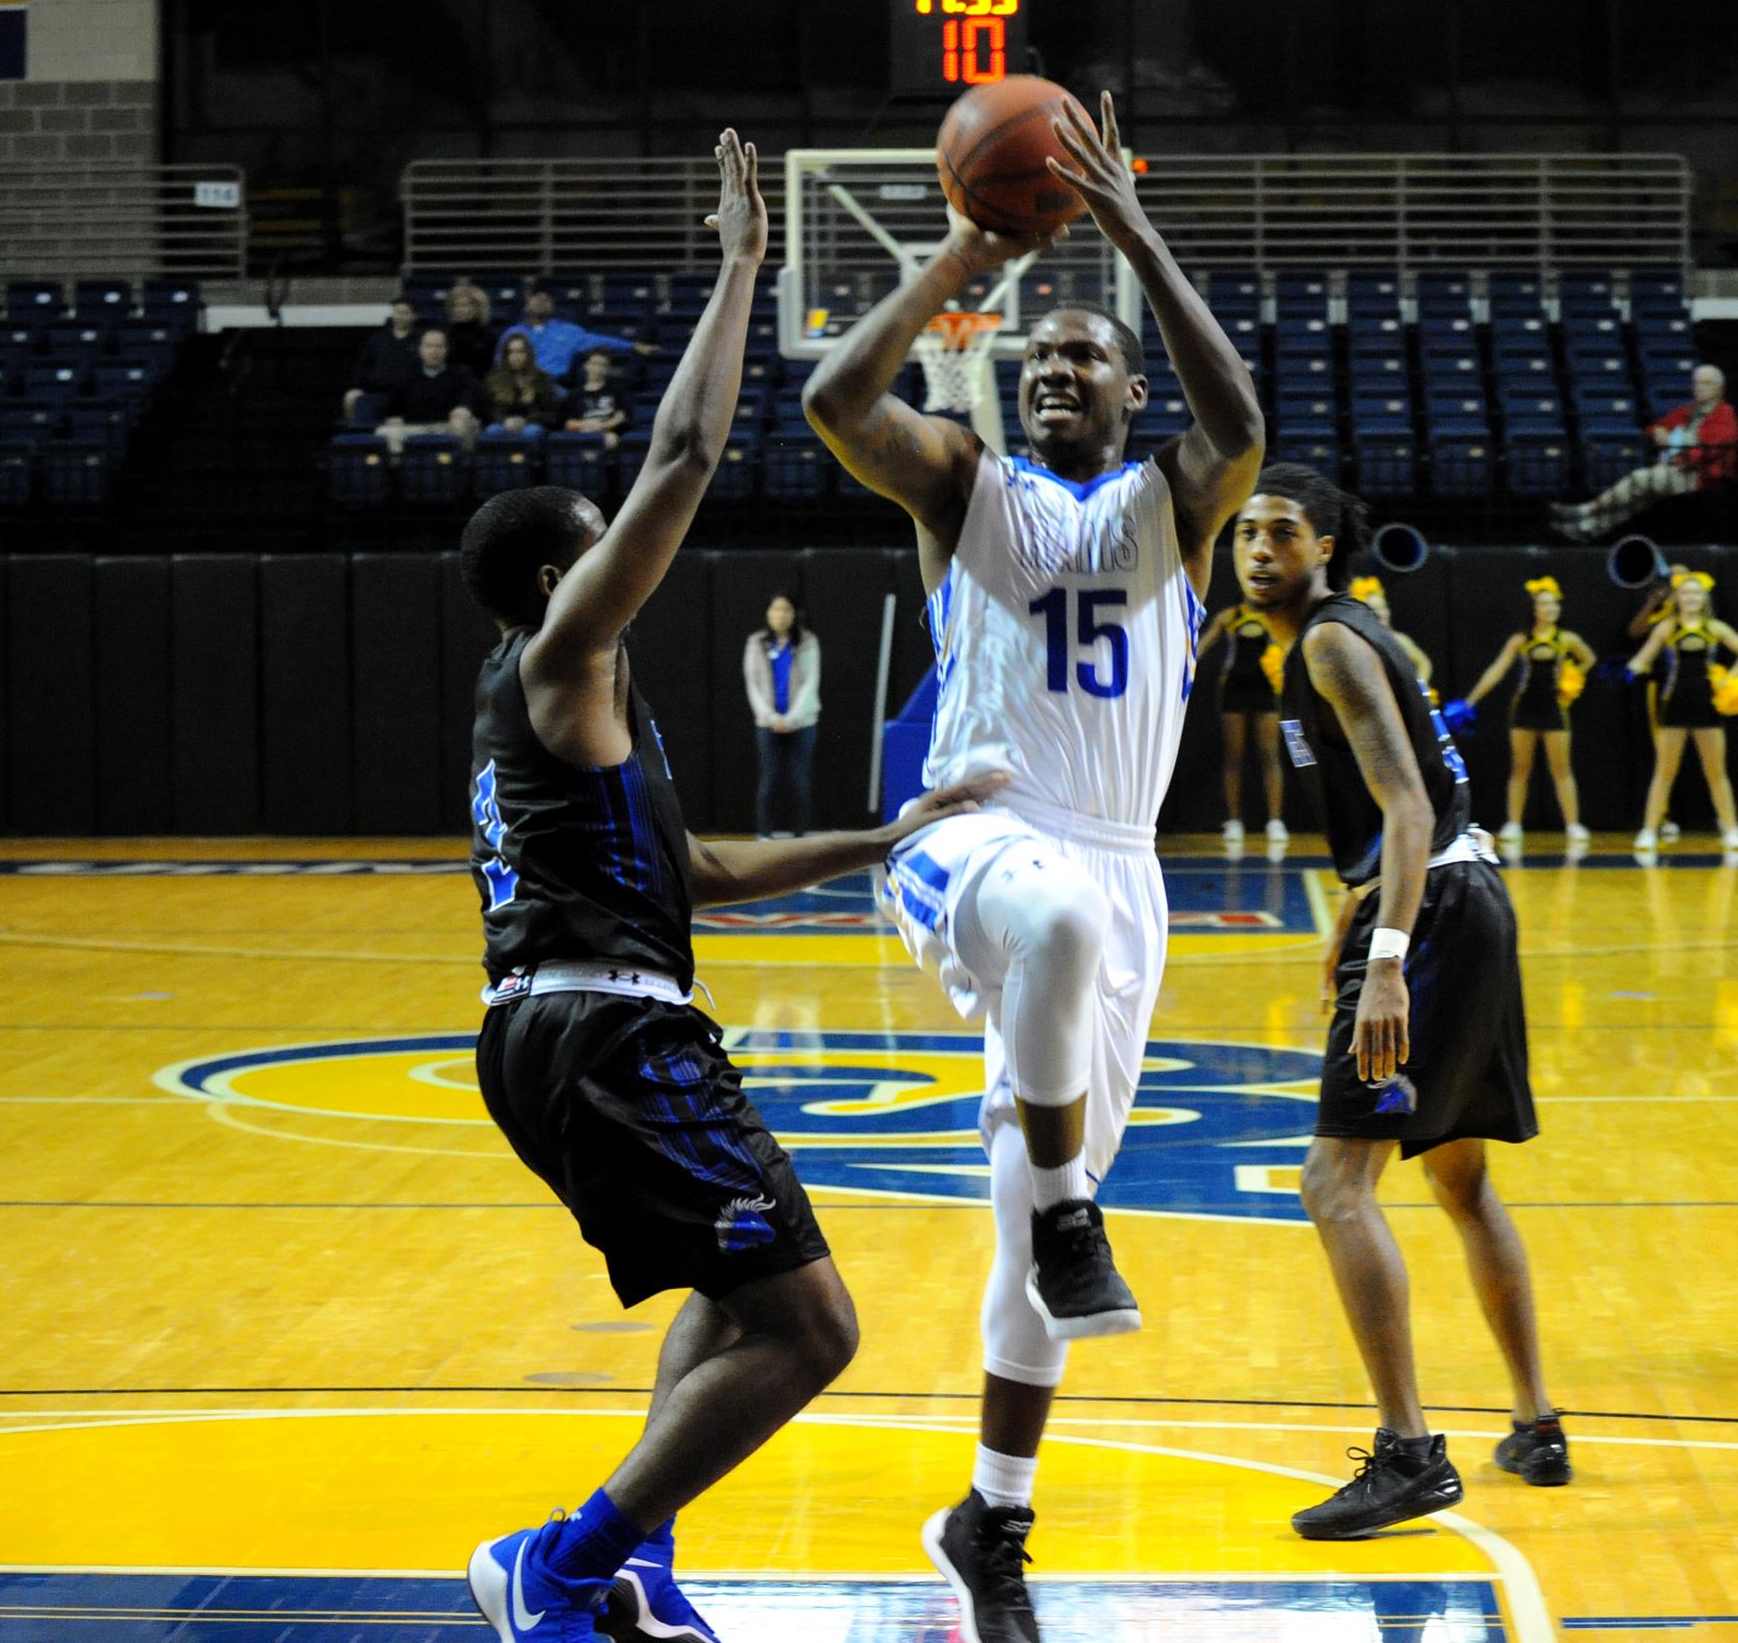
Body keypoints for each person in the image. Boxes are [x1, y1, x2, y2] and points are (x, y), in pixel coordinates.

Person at [458, 133, 998, 1643]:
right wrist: (745, 263)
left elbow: (705, 873)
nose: (633, 550)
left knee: (733, 1279)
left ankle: (634, 1556)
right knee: (817, 1323)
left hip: (576, 1021)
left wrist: (888, 833)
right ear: (564, 577)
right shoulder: (561, 658)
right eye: (601, 541)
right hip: (606, 1034)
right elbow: (683, 459)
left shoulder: (583, 715)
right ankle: (564, 1557)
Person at [802, 90, 1262, 1643]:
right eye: (1039, 356)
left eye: (1088, 357)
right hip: (972, 837)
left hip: (1124, 881)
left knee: (1021, 1249)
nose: (1058, 370)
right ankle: (1076, 1209)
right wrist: (960, 249)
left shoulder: (1175, 511)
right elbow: (831, 403)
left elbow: (1244, 424)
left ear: (1130, 392)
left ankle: (990, 1515)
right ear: (1012, 381)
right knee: (1052, 942)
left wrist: (1132, 228)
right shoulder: (962, 487)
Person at [1231, 463, 1568, 1540]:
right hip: (1464, 897)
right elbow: (1406, 815)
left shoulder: (1330, 640)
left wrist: (1381, 958)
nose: (1258, 548)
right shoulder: (1332, 641)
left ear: (1325, 547)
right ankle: (1534, 1421)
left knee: (1333, 1183)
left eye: (1282, 530)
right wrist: (1359, 912)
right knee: (1460, 1173)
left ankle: (1409, 1453)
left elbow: (1408, 804)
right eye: (1246, 531)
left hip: (1433, 909)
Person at [1626, 571, 1738, 851]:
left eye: (1696, 593)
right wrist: (1632, 668)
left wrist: (1729, 678)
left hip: (1708, 705)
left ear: (1704, 598)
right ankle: (1649, 831)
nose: (1691, 598)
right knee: (1664, 771)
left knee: (1716, 772)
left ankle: (1732, 830)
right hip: (1674, 704)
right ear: (1677, 598)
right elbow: (1642, 658)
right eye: (1685, 593)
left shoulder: (1715, 628)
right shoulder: (1667, 627)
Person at [1457, 576, 1594, 843]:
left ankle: (1573, 825)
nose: (1550, 608)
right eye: (1544, 603)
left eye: (1554, 603)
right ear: (1534, 609)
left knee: (1561, 768)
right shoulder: (1520, 640)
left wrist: (1572, 678)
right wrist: (1471, 700)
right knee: (1520, 767)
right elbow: (1497, 670)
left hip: (1555, 708)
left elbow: (1589, 659)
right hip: (1524, 709)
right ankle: (1514, 823)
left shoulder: (1567, 639)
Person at [1551, 365, 1738, 541]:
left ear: (1719, 388)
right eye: (1696, 383)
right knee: (1640, 497)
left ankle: (1586, 511)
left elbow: (1712, 449)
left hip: (1700, 475)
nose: (1699, 387)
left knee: (1639, 480)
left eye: (1706, 383)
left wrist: (1679, 458)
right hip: (1675, 469)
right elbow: (1655, 427)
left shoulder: (1724, 414)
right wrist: (1659, 432)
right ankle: (1588, 528)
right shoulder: (1689, 411)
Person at [1196, 595, 1289, 848]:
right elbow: (1203, 645)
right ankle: (1234, 820)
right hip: (1234, 689)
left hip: (1266, 688)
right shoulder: (1230, 616)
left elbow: (1292, 644)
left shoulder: (1275, 616)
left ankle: (1275, 821)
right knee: (1233, 755)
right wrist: (1184, 665)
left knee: (1270, 753)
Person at [744, 595, 821, 838]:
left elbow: (810, 682)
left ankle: (800, 836)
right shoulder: (756, 643)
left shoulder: (808, 642)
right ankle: (765, 834)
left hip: (802, 723)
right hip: (767, 725)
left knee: (800, 782)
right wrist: (770, 717)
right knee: (769, 782)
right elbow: (752, 684)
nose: (781, 615)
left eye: (786, 609)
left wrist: (791, 719)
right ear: (768, 613)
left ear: (794, 614)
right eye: (776, 609)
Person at [501, 282, 634, 382]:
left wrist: (632, 345)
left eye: (546, 299)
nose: (541, 302)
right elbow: (500, 364)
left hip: (554, 387)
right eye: (537, 298)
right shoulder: (512, 333)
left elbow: (598, 341)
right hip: (519, 385)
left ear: (553, 307)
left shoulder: (569, 331)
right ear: (527, 304)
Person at [380, 327, 480, 455]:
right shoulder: (405, 375)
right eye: (429, 346)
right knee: (385, 433)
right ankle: (403, 472)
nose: (434, 351)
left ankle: (462, 469)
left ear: (447, 350)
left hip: (448, 426)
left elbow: (469, 398)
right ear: (420, 349)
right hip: (414, 427)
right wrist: (394, 418)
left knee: (467, 424)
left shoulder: (461, 374)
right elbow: (392, 409)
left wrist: (463, 409)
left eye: (439, 347)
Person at [345, 297, 425, 423]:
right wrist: (359, 386)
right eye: (397, 312)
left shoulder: (422, 340)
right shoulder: (377, 339)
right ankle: (356, 434)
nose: (400, 316)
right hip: (377, 391)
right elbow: (363, 366)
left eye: (405, 313)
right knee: (351, 397)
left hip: (408, 394)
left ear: (414, 316)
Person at [486, 334, 566, 435]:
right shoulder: (494, 379)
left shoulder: (542, 378)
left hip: (532, 424)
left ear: (528, 354)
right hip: (503, 424)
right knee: (493, 430)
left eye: (520, 352)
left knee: (531, 431)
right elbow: (489, 409)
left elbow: (549, 412)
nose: (515, 356)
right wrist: (504, 421)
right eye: (510, 352)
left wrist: (525, 421)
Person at [564, 349, 629, 450]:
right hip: (583, 437)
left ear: (608, 369)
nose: (598, 368)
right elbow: (569, 423)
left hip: (610, 435)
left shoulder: (617, 391)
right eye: (595, 363)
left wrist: (603, 428)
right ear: (586, 366)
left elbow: (621, 417)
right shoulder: (574, 395)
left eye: (603, 365)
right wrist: (589, 427)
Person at [446, 283, 501, 376]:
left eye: (464, 305)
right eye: (456, 305)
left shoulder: (488, 337)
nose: (459, 309)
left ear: (477, 308)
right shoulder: (446, 335)